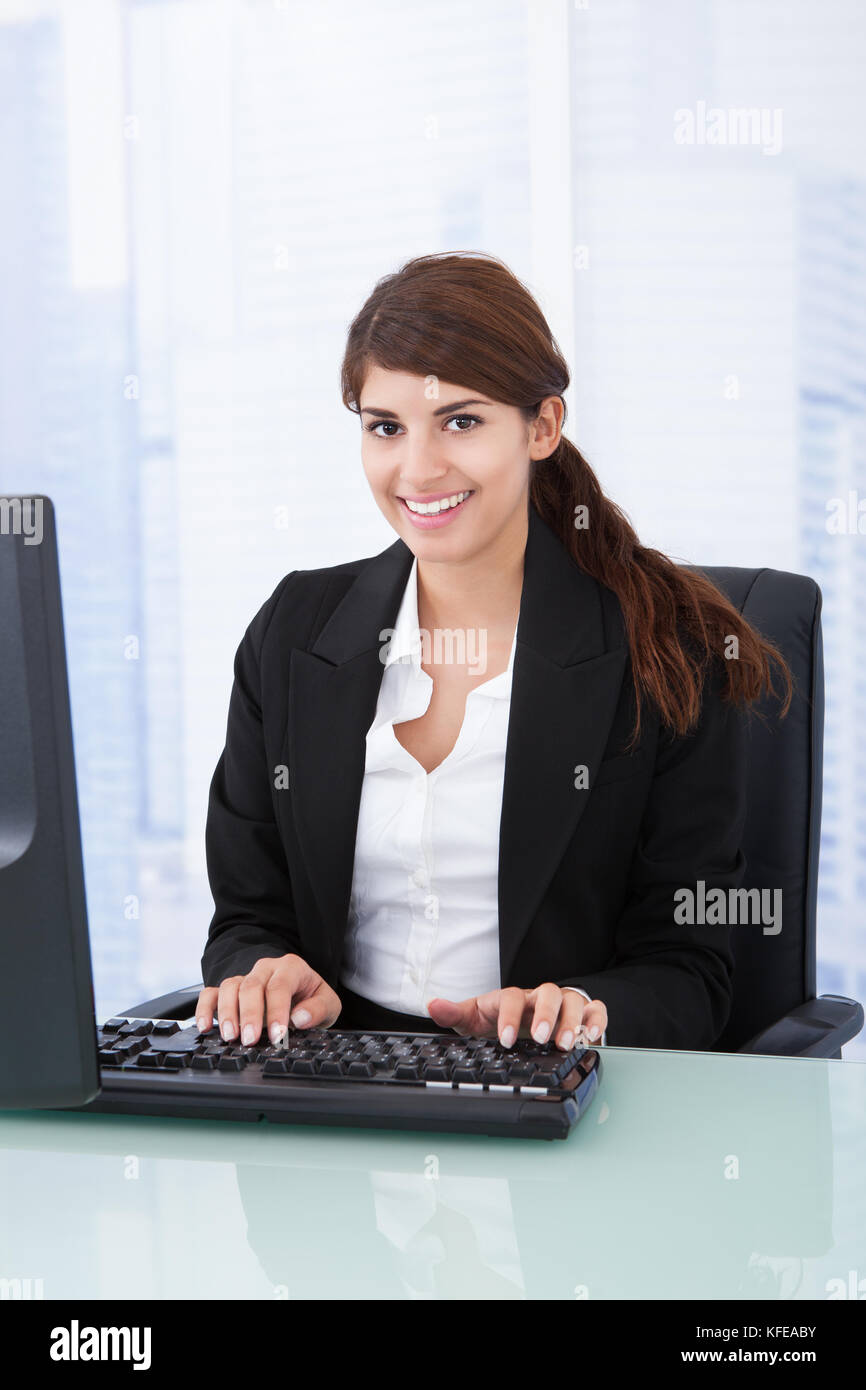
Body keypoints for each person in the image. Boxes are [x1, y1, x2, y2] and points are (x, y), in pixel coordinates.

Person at [196, 251, 793, 1053]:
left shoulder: (667, 649)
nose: (418, 468)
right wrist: (266, 970)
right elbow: (246, 915)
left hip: (553, 1093)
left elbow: (689, 967)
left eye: (462, 421)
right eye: (386, 428)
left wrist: (581, 1009)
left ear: (542, 426)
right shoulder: (295, 630)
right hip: (330, 1088)